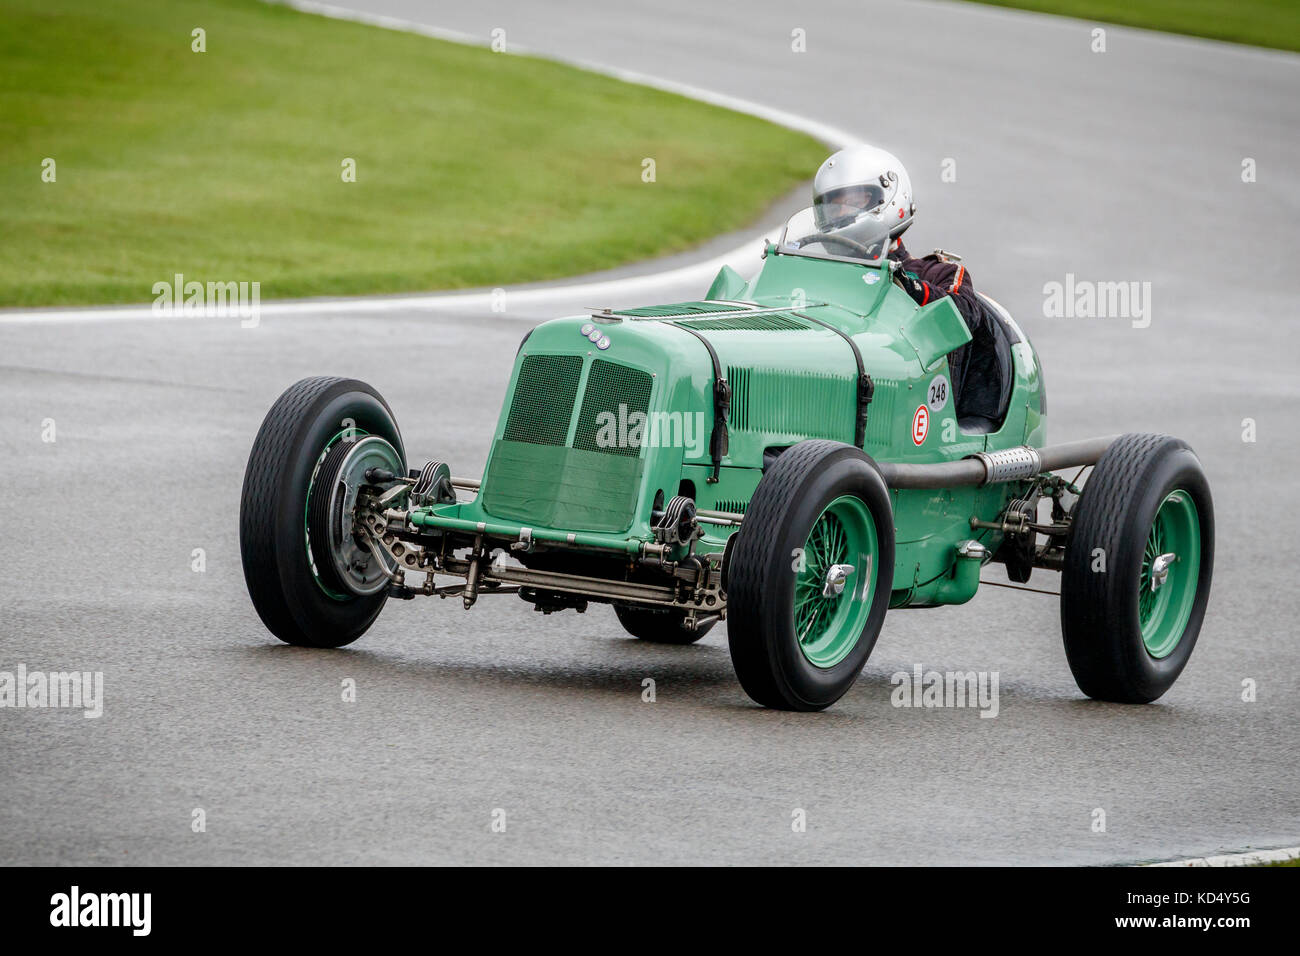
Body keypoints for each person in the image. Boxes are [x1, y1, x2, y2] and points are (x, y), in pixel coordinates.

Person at [812, 146, 1014, 431]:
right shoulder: (819, 279)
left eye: (853, 201)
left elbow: (965, 313)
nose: (842, 213)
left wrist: (908, 287)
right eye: (833, 205)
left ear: (889, 196)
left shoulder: (937, 273)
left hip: (919, 414)